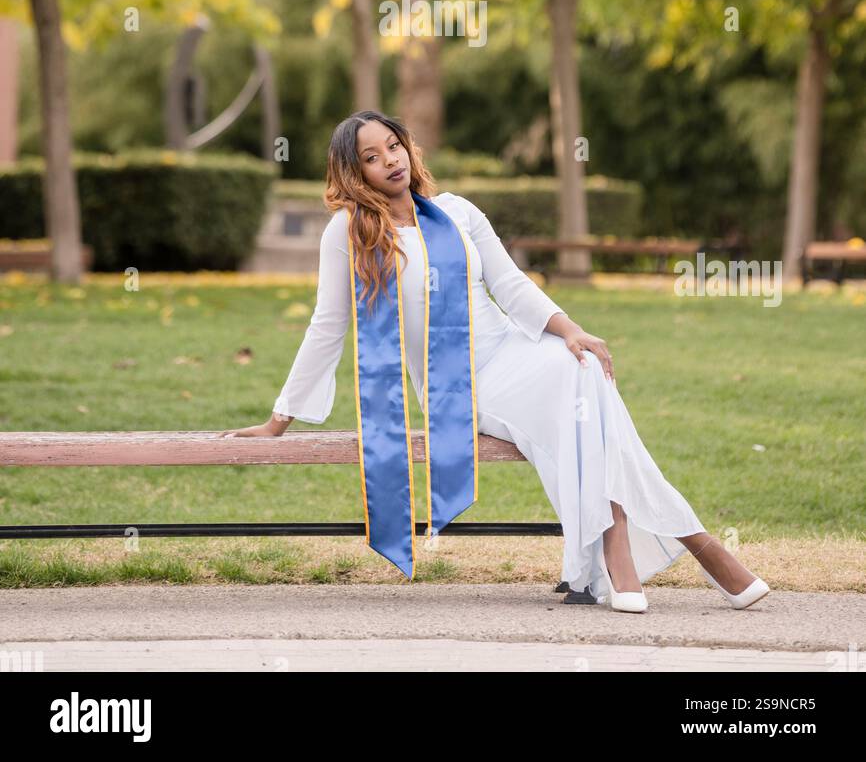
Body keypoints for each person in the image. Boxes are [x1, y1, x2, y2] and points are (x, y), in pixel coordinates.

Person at [222, 110, 770, 612]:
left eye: (394, 146)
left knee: (582, 369)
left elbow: (510, 284)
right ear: (352, 172)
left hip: (514, 350)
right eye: (371, 156)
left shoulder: (457, 212)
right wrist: (280, 419)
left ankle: (616, 539)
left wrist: (571, 329)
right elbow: (327, 326)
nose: (389, 161)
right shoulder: (350, 234)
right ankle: (689, 542)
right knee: (582, 392)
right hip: (457, 385)